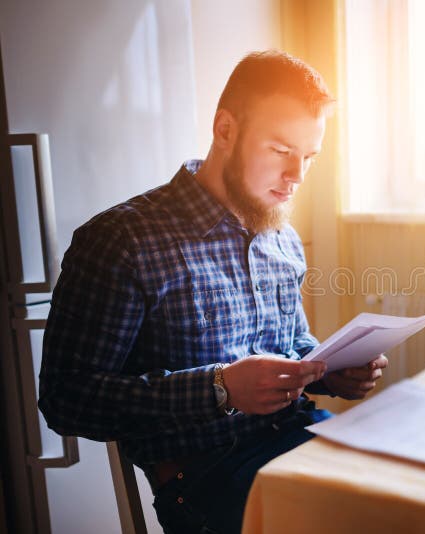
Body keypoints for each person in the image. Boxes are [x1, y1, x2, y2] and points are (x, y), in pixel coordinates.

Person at [38, 50, 388, 534]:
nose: (297, 176)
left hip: (301, 436)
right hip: (209, 477)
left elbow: (293, 348)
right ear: (225, 130)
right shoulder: (122, 240)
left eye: (309, 157)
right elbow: (65, 400)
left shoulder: (281, 237)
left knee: (423, 495)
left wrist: (331, 372)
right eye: (281, 151)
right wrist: (219, 388)